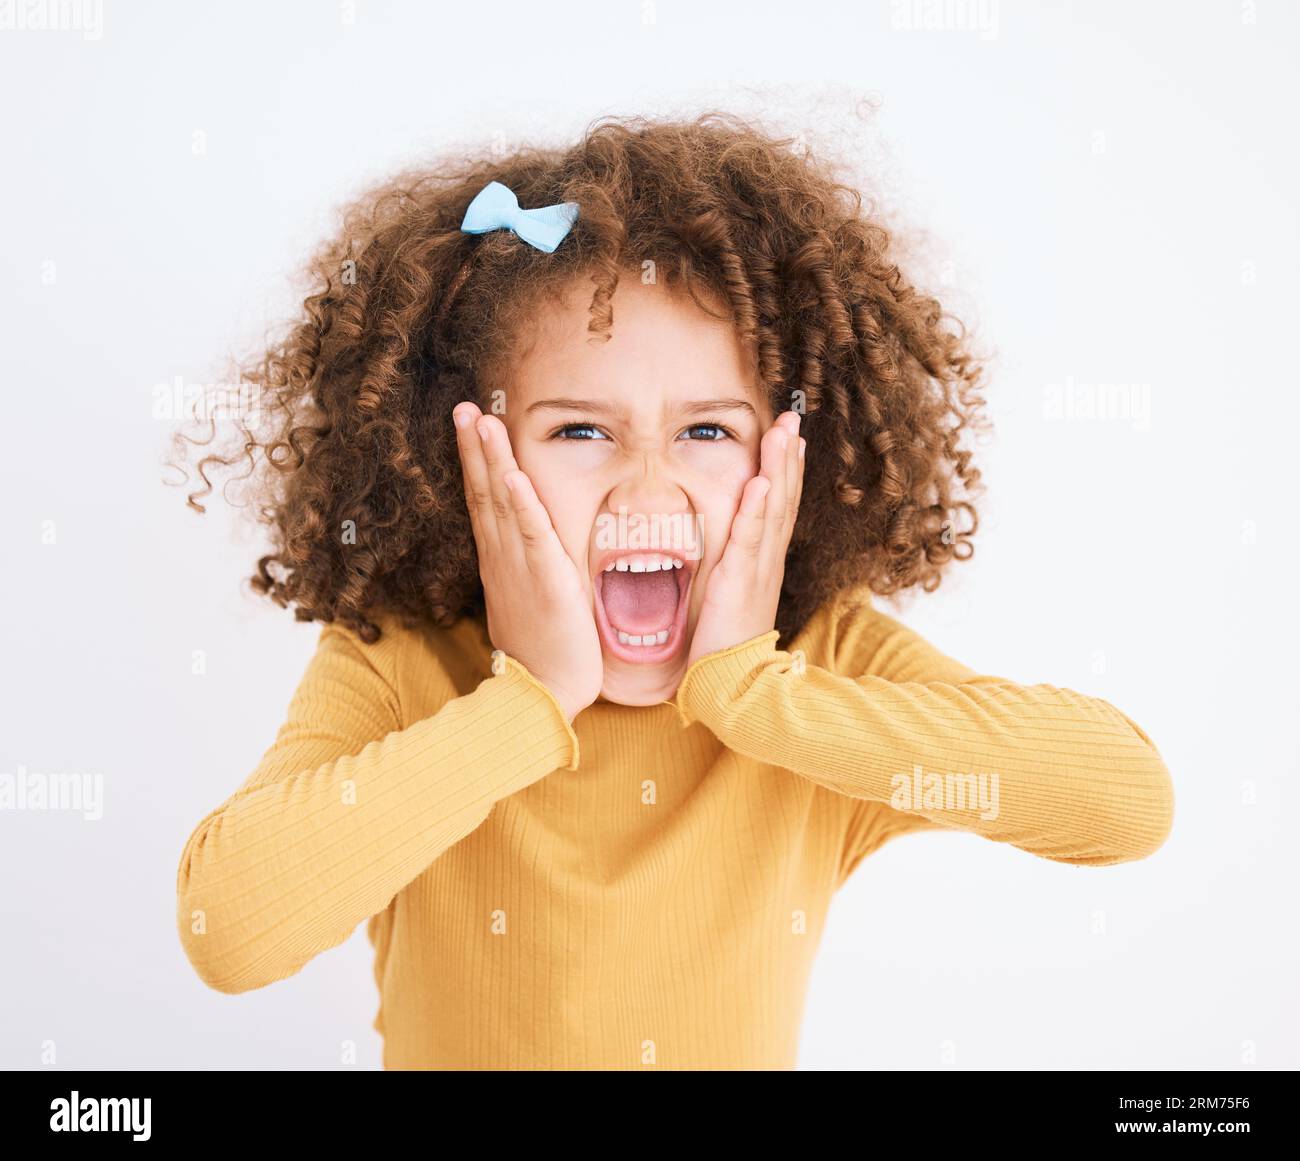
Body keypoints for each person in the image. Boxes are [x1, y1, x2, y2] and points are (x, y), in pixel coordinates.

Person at [171, 112, 1174, 1070]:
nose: (647, 487)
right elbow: (231, 931)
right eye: (577, 431)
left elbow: (1125, 802)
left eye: (706, 432)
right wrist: (527, 704)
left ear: (788, 462)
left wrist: (752, 692)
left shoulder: (811, 667)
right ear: (468, 458)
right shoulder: (405, 662)